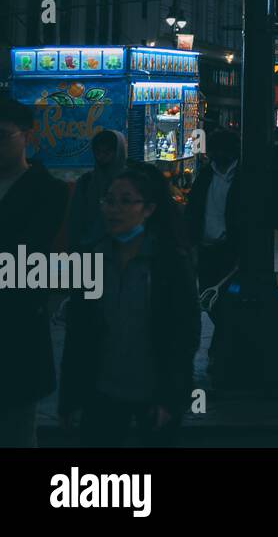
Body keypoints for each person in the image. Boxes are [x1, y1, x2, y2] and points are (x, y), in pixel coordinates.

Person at [59, 163, 200, 447]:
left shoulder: (168, 263)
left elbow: (183, 334)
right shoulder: (92, 259)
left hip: (152, 392)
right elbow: (79, 334)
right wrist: (71, 398)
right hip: (101, 391)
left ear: (148, 209)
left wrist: (170, 398)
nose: (115, 209)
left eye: (126, 201)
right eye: (109, 201)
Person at [0, 99, 70, 447]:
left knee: (16, 432)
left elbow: (28, 257)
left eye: (3, 135)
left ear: (27, 136)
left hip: (18, 328)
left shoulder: (50, 191)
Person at [185, 129, 246, 382]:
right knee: (209, 301)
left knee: (226, 304)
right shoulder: (206, 175)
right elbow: (194, 210)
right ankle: (221, 351)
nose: (215, 154)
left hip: (230, 251)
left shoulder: (242, 177)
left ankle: (220, 353)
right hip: (207, 249)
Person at [65, 129, 127, 252]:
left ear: (118, 152)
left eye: (107, 152)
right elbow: (75, 221)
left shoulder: (132, 182)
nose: (102, 157)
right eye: (98, 152)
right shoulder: (86, 182)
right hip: (89, 252)